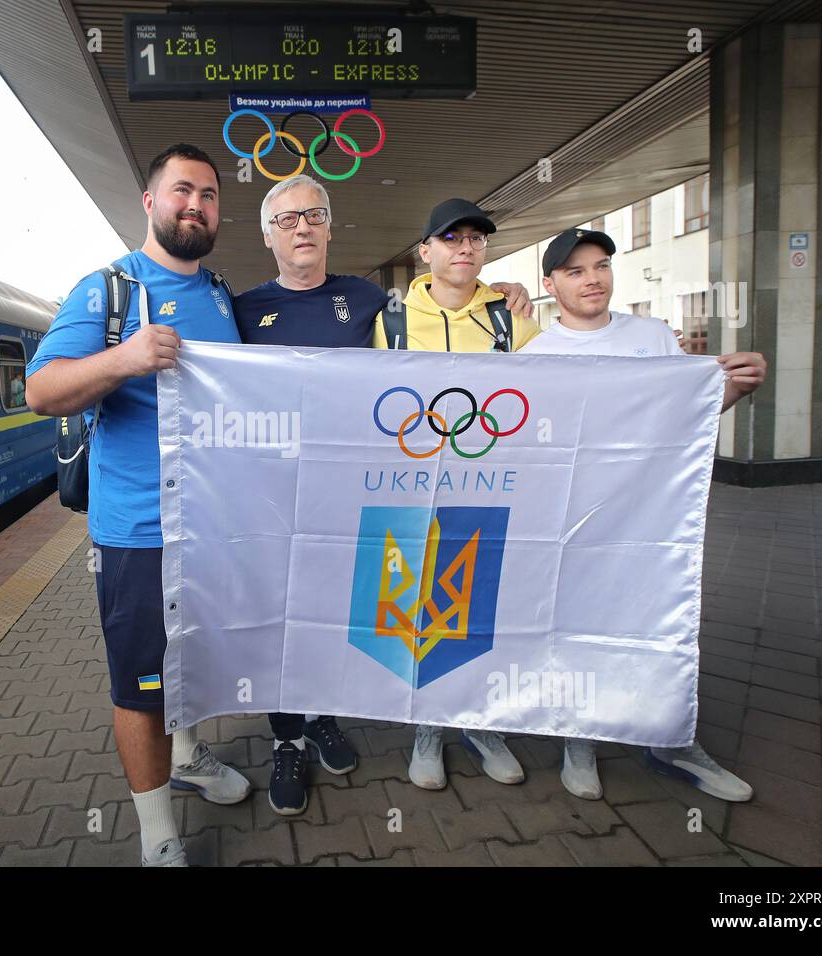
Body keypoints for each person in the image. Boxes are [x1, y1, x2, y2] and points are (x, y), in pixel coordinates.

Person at [235, 176, 533, 814]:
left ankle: (325, 717)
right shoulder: (239, 309)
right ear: (267, 236)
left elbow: (445, 319)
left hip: (354, 497)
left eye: (314, 215)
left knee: (338, 612)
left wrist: (505, 292)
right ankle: (287, 737)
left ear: (330, 226)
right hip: (274, 497)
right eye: (286, 220)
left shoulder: (373, 302)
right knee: (282, 617)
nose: (302, 227)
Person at [24, 144, 249, 867]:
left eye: (210, 195)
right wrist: (124, 357)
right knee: (141, 684)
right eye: (183, 191)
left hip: (210, 527)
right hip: (140, 534)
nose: (197, 205)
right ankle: (158, 837)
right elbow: (39, 391)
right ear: (150, 203)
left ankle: (188, 755)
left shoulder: (218, 292)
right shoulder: (106, 290)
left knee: (194, 661)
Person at [520, 225, 765, 802]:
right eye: (575, 271)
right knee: (576, 626)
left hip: (649, 516)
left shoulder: (654, 337)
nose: (592, 279)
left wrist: (730, 391)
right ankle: (579, 738)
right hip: (573, 521)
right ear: (550, 283)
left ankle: (672, 740)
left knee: (659, 622)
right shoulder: (535, 356)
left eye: (600, 265)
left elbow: (682, 417)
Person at [373, 198, 543, 791]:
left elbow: (559, 388)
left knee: (484, 605)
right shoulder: (391, 319)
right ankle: (428, 727)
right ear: (426, 251)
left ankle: (481, 723)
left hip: (489, 485)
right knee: (421, 610)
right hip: (414, 488)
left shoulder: (511, 319)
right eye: (450, 238)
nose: (465, 247)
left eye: (475, 238)